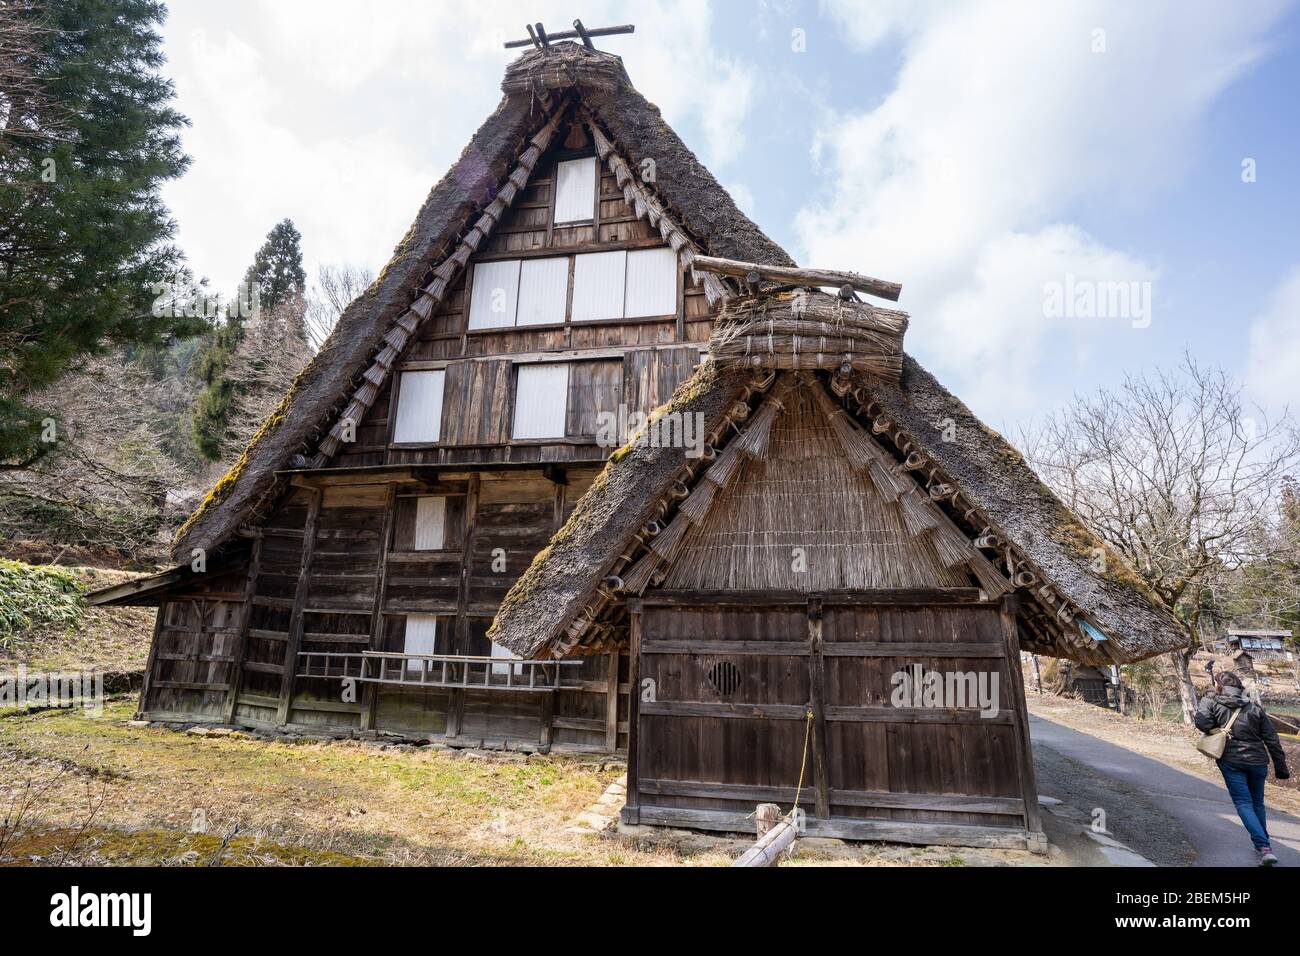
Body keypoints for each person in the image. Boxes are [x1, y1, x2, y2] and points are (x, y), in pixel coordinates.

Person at [1195, 671, 1291, 866]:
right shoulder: (1254, 708)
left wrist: (1209, 701)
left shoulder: (1212, 701)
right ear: (1240, 686)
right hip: (1257, 761)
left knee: (1243, 802)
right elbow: (1272, 739)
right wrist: (1281, 768)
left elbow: (1203, 723)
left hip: (1231, 760)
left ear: (1218, 685)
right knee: (1257, 803)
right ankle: (1262, 847)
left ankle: (1264, 847)